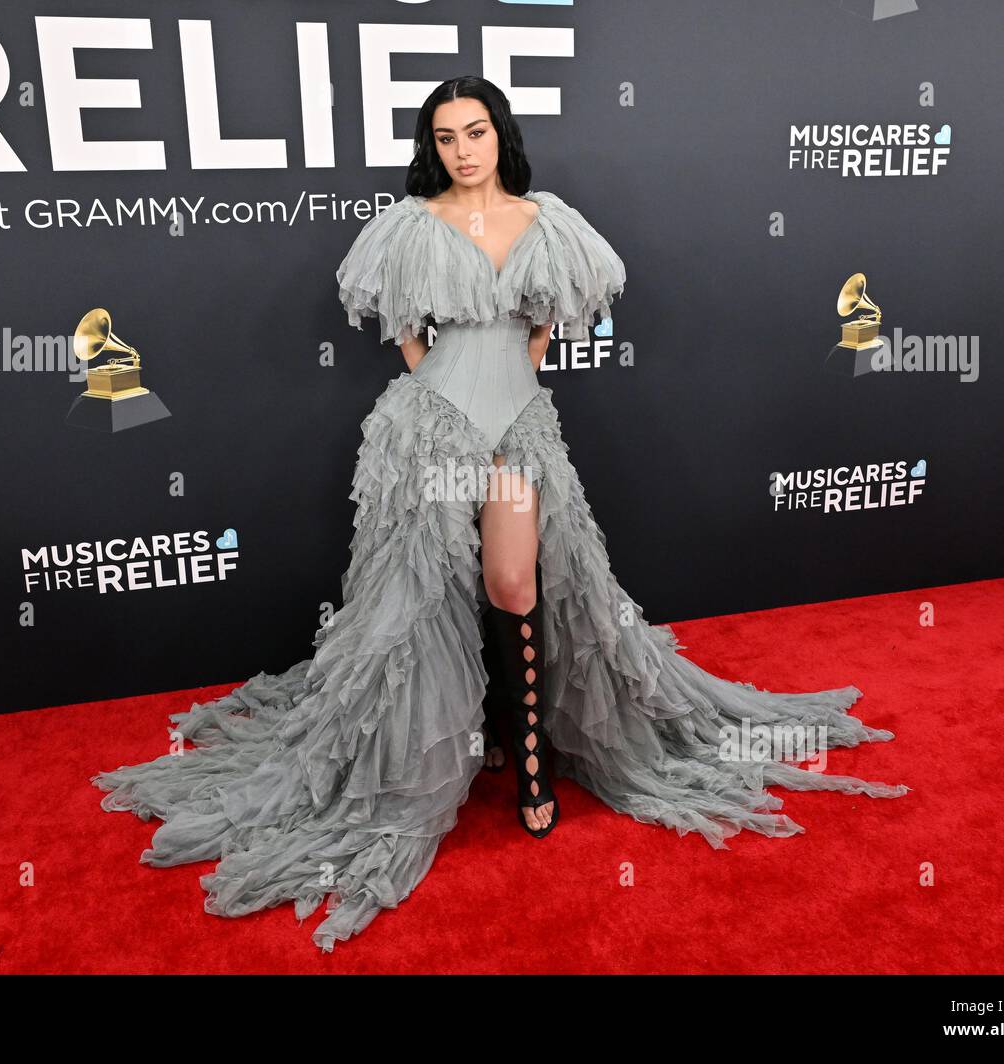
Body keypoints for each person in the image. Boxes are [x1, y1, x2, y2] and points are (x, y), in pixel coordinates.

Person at [91, 75, 909, 953]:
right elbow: (409, 336)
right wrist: (435, 406)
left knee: (514, 581)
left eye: (475, 131)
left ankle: (528, 756)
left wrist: (512, 398)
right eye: (444, 137)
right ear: (432, 147)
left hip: (519, 425)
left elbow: (542, 328)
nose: (462, 149)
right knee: (420, 602)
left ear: (498, 134)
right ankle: (455, 755)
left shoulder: (548, 220)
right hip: (430, 429)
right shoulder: (411, 225)